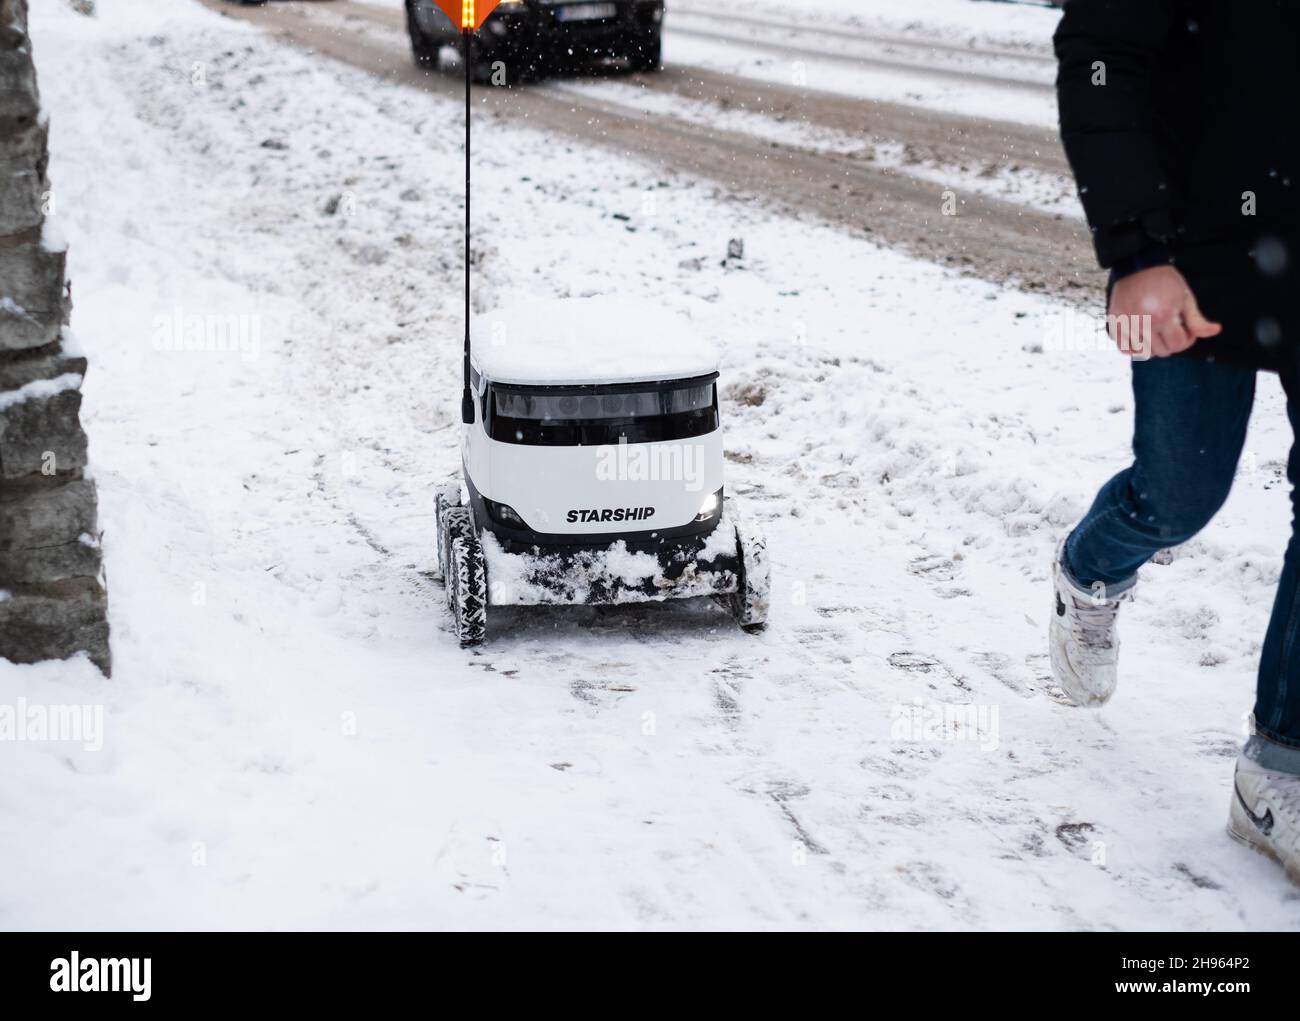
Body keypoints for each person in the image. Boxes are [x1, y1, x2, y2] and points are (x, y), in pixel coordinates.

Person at [1052, 0, 1300, 884]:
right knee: (1181, 491)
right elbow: (1102, 51)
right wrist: (1135, 248)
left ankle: (1279, 768)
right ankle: (1094, 565)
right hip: (1195, 249)